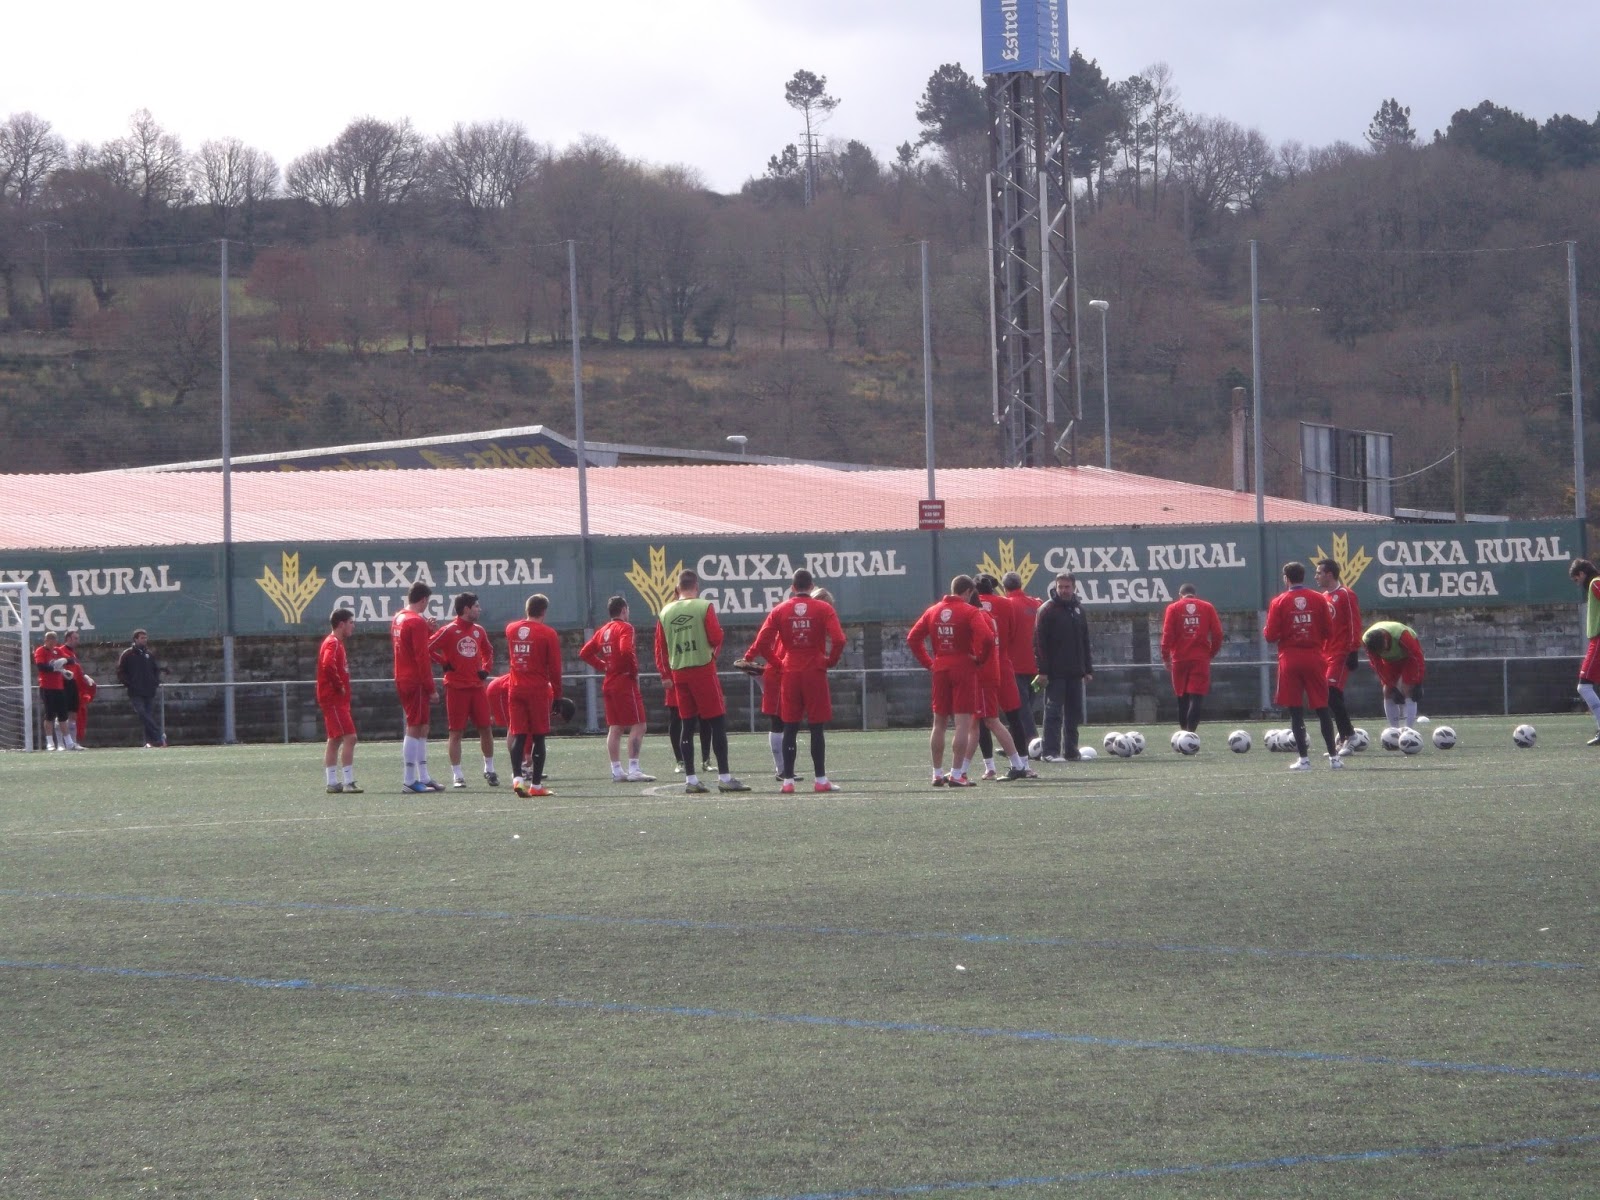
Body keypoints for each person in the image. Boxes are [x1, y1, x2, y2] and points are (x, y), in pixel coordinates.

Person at [740, 568, 846, 793]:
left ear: (792, 586)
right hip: (814, 671)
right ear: (812, 586)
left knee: (789, 726)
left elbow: (762, 642)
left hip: (790, 672)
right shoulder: (824, 608)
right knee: (817, 727)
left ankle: (788, 781)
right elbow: (839, 639)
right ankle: (820, 780)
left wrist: (778, 663)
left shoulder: (780, 610)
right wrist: (830, 661)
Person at [659, 569, 749, 794]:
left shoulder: (665, 612)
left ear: (677, 588)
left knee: (687, 725)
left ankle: (690, 779)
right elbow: (716, 637)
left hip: (679, 672)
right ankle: (724, 777)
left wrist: (666, 674)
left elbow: (661, 648)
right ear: (696, 587)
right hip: (702, 669)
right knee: (717, 722)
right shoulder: (703, 606)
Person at [907, 574, 993, 787]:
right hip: (963, 667)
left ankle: (937, 773)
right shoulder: (970, 611)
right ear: (968, 592)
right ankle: (956, 774)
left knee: (939, 723)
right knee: (963, 723)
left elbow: (913, 638)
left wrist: (929, 663)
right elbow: (988, 638)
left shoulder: (933, 611)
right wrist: (980, 659)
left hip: (941, 667)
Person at [1264, 562, 1341, 771]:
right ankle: (1334, 758)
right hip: (1315, 657)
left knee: (1295, 710)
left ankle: (1304, 760)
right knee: (1322, 708)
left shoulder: (1279, 602)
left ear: (1286, 578)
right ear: (1303, 576)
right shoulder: (1318, 598)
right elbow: (1328, 631)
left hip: (1290, 659)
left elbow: (1270, 635)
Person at [579, 595, 655, 783]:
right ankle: (634, 768)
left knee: (616, 727)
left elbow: (585, 653)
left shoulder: (603, 630)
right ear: (623, 610)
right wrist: (633, 671)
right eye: (627, 610)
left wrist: (604, 666)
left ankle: (616, 770)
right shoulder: (625, 628)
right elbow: (626, 650)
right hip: (624, 682)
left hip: (609, 682)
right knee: (639, 724)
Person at [429, 591, 500, 789]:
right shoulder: (449, 630)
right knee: (456, 732)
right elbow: (428, 647)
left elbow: (488, 651)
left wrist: (486, 669)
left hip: (477, 688)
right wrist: (444, 662)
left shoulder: (479, 630)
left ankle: (489, 769)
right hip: (456, 688)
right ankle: (457, 774)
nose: (479, 609)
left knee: (486, 728)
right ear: (466, 608)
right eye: (476, 606)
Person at [971, 577, 1035, 781]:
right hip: (1003, 664)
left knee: (982, 719)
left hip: (980, 668)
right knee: (1014, 716)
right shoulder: (1006, 604)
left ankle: (989, 767)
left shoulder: (970, 608)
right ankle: (1023, 763)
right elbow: (1013, 632)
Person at [504, 593, 563, 797]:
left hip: (515, 687)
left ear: (527, 609)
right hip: (537, 690)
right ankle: (536, 785)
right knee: (539, 737)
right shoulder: (548, 634)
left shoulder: (511, 629)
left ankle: (517, 778)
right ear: (544, 612)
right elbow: (555, 668)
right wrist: (557, 695)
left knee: (519, 734)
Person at [1033, 573, 1094, 763]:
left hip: (1075, 671)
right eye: (1060, 587)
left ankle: (1071, 751)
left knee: (1074, 713)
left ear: (1074, 587)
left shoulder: (1078, 610)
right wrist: (1042, 670)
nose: (1063, 590)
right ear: (1055, 587)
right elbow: (1039, 643)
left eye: (1067, 587)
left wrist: (1087, 669)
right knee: (1053, 712)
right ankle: (1050, 752)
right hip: (1055, 672)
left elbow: (1084, 641)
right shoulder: (1047, 609)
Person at [392, 582, 443, 792]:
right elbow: (422, 658)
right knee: (414, 727)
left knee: (422, 726)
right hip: (415, 681)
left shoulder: (399, 617)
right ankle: (409, 780)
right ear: (423, 600)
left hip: (402, 676)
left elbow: (409, 646)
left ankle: (423, 776)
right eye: (427, 602)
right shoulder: (416, 621)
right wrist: (431, 688)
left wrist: (427, 632)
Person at [1160, 583, 1223, 734]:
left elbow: (1167, 634)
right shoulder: (1207, 607)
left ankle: (1183, 734)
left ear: (1180, 595)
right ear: (1195, 594)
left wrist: (1165, 657)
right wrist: (1210, 653)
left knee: (1182, 699)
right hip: (1200, 659)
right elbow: (1218, 634)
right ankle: (1191, 733)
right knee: (1196, 699)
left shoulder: (1173, 608)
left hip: (1179, 659)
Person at [1316, 557, 1365, 755]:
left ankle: (1350, 738)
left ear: (1329, 574)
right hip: (1326, 654)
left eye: (1319, 572)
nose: (1316, 576)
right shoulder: (1323, 597)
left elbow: (1354, 623)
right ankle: (1346, 737)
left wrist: (1353, 650)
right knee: (1330, 696)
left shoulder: (1346, 594)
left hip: (1341, 652)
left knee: (1331, 693)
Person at [317, 608, 361, 794]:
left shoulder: (336, 643)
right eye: (351, 622)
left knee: (334, 739)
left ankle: (332, 781)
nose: (353, 626)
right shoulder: (333, 643)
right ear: (341, 624)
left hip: (335, 699)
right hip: (334, 699)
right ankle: (348, 781)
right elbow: (328, 664)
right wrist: (339, 685)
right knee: (350, 737)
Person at [1003, 571, 1043, 755]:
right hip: (1036, 665)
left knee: (1021, 707)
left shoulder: (1007, 605)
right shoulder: (1036, 604)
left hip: (1015, 665)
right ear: (1021, 584)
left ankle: (1032, 743)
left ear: (1004, 587)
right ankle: (1014, 743)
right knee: (1026, 705)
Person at [1363, 619, 1426, 732]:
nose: (1384, 651)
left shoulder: (1401, 635)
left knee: (1408, 688)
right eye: (1380, 651)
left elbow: (1417, 656)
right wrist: (1391, 685)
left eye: (1384, 648)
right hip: (1390, 660)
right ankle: (1394, 731)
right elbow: (1377, 666)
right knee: (1387, 691)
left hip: (1409, 657)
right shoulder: (1367, 642)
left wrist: (1418, 681)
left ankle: (1409, 731)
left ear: (1385, 638)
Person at [116, 629, 167, 748]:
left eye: (145, 637)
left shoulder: (149, 654)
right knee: (142, 713)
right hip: (135, 691)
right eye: (142, 638)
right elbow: (120, 671)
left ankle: (150, 742)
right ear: (135, 639)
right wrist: (129, 683)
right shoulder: (127, 654)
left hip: (149, 690)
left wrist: (155, 682)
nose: (145, 640)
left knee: (147, 716)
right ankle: (159, 735)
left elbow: (155, 670)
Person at [1570, 558, 1600, 745]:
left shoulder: (1595, 583)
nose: (1578, 583)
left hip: (1598, 640)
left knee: (1584, 686)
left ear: (1581, 573)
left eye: (1576, 579)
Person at [34, 630, 77, 751]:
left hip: (59, 687)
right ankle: (50, 742)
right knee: (50, 714)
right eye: (51, 641)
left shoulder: (57, 651)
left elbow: (71, 660)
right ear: (46, 641)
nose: (54, 644)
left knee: (63, 715)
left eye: (55, 641)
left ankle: (68, 742)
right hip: (47, 687)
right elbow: (41, 667)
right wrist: (55, 668)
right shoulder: (40, 651)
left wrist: (63, 663)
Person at [59, 630, 95, 748]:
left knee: (73, 715)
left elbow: (78, 670)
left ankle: (73, 742)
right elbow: (58, 667)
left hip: (73, 686)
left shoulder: (72, 653)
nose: (78, 641)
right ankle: (60, 744)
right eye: (75, 638)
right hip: (63, 685)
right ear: (68, 638)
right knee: (61, 715)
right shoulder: (60, 651)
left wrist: (86, 678)